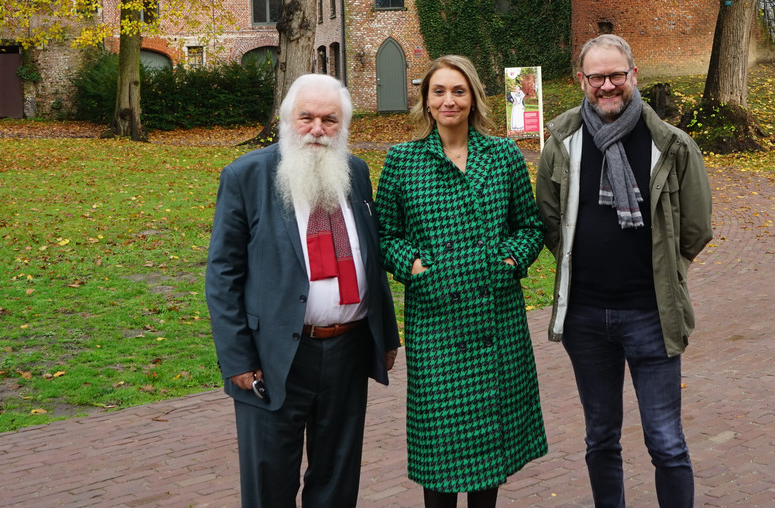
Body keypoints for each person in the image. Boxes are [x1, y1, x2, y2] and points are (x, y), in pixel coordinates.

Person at [206, 73, 401, 508]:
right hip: (273, 358)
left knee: (336, 483)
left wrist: (385, 335)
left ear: (343, 125)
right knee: (269, 484)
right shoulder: (247, 175)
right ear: (286, 119)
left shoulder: (355, 171)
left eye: (329, 120)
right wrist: (238, 358)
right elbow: (222, 274)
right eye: (306, 117)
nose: (317, 129)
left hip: (348, 352)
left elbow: (371, 256)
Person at [537, 34, 713, 508]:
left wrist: (668, 272)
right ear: (582, 80)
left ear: (634, 75)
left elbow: (696, 227)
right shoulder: (562, 143)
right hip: (586, 319)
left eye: (616, 75)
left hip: (652, 315)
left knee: (666, 442)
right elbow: (551, 222)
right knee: (601, 438)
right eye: (597, 77)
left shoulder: (671, 145)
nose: (607, 85)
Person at [375, 55, 548, 508]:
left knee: (489, 448)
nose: (448, 100)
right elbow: (385, 236)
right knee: (441, 447)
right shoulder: (403, 160)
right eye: (439, 92)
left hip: (496, 318)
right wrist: (415, 266)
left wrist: (510, 260)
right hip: (437, 324)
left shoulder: (503, 155)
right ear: (426, 100)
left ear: (473, 98)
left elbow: (530, 226)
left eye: (458, 91)